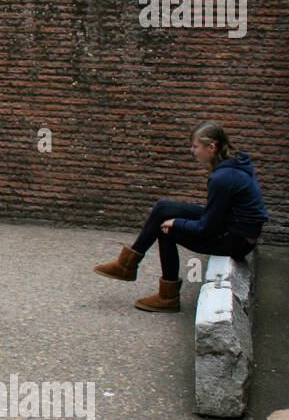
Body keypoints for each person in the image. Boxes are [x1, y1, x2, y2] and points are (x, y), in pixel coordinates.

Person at [93, 122, 268, 312]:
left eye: (195, 146)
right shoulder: (236, 162)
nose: (193, 151)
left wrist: (177, 222)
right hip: (231, 224)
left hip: (237, 240)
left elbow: (206, 228)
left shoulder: (222, 178)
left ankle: (168, 298)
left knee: (166, 230)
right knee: (163, 207)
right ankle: (127, 264)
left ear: (212, 147)